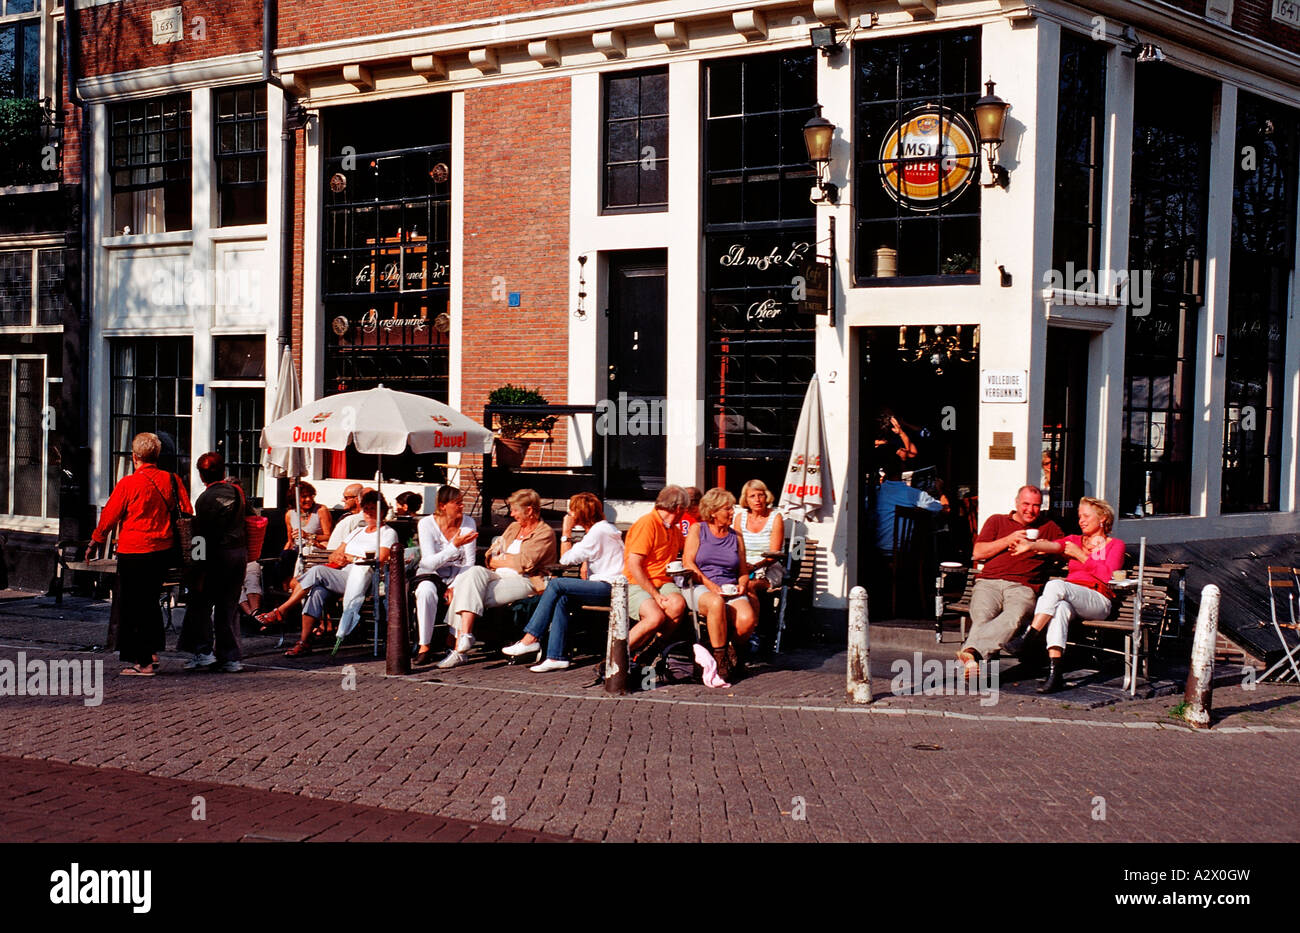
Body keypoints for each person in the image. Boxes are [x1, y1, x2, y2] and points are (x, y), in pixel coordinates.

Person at [86, 432, 193, 676]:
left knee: (134, 606)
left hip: (134, 551)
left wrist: (95, 541)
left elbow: (110, 516)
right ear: (156, 456)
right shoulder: (173, 480)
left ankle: (143, 662)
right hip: (162, 551)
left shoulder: (128, 483)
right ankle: (153, 652)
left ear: (134, 457)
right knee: (151, 601)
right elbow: (186, 511)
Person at [1002, 497, 1125, 693]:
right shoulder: (1074, 540)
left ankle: (1029, 636)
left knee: (1057, 585)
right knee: (1059, 609)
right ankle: (1055, 673)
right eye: (1079, 517)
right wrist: (1030, 546)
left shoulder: (1114, 545)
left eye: (1086, 516)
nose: (1081, 521)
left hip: (1098, 600)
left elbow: (1108, 576)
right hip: (1071, 597)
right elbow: (1053, 546)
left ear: (1102, 518)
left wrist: (1080, 555)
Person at [259, 490, 398, 657]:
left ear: (382, 511)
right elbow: (334, 553)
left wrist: (350, 557)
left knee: (317, 571)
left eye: (373, 509)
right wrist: (339, 557)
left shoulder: (388, 533)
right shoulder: (357, 531)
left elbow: (381, 558)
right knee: (317, 591)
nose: (368, 513)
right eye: (366, 508)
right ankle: (304, 641)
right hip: (342, 575)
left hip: (363, 579)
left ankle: (282, 610)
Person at [502, 492, 623, 672]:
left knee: (557, 584)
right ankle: (556, 656)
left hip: (610, 587)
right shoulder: (603, 529)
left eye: (572, 512)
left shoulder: (598, 532)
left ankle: (531, 638)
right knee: (562, 598)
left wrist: (566, 532)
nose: (569, 516)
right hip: (606, 585)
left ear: (580, 514)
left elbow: (565, 559)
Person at [437, 488, 557, 669]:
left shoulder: (544, 533)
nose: (512, 514)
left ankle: (459, 650)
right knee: (473, 572)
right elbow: (489, 555)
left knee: (465, 591)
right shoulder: (514, 527)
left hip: (527, 580)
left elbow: (525, 564)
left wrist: (500, 559)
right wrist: (503, 560)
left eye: (516, 510)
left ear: (530, 510)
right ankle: (466, 636)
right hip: (497, 575)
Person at [955, 485, 1064, 677]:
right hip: (988, 582)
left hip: (1023, 587)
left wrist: (1038, 546)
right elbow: (977, 552)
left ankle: (971, 653)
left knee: (1014, 618)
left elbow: (1064, 549)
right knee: (982, 616)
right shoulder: (997, 521)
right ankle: (973, 658)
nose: (1030, 510)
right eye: (1026, 504)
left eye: (1036, 505)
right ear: (1016, 503)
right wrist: (1009, 539)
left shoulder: (1048, 527)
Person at [177, 452, 249, 673]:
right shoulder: (238, 492)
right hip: (238, 554)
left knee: (200, 604)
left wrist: (196, 567)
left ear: (201, 475)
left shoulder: (205, 499)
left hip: (215, 557)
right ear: (223, 471)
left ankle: (204, 652)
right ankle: (230, 658)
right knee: (228, 607)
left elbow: (201, 536)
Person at [684, 487, 757, 682]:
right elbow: (688, 562)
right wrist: (708, 583)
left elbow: (742, 570)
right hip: (700, 586)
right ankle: (720, 658)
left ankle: (734, 651)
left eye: (732, 508)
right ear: (713, 511)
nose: (732, 512)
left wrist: (742, 584)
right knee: (716, 603)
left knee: (747, 619)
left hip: (729, 587)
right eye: (728, 509)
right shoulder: (698, 530)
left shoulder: (736, 537)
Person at [411, 486, 478, 667]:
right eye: (457, 503)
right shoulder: (426, 524)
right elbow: (429, 563)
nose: (462, 506)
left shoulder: (468, 523)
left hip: (458, 574)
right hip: (431, 574)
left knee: (463, 590)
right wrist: (454, 546)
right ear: (442, 505)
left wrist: (455, 585)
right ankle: (424, 645)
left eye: (462, 502)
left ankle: (452, 641)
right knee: (425, 592)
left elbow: (469, 562)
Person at [625, 485, 689, 657]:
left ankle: (651, 651)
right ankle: (614, 658)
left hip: (663, 581)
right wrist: (655, 594)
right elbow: (634, 565)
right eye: (685, 511)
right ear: (678, 509)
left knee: (677, 605)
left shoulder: (673, 529)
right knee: (655, 617)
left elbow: (689, 548)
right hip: (637, 583)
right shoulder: (647, 524)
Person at [869, 459, 942, 556]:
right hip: (900, 552)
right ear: (903, 470)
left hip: (876, 549)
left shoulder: (878, 492)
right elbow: (939, 507)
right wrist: (940, 490)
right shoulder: (910, 493)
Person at [276, 481, 333, 587]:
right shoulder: (290, 514)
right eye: (304, 496)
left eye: (311, 496)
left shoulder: (321, 510)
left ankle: (297, 587)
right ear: (295, 499)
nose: (309, 499)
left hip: (315, 549)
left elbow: (329, 536)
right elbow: (290, 541)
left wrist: (308, 535)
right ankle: (286, 591)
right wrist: (283, 555)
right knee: (284, 559)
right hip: (297, 549)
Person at [734, 479, 785, 597]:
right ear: (745, 499)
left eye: (760, 495)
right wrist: (743, 565)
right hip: (743, 566)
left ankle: (751, 615)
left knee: (748, 586)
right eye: (752, 496)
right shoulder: (740, 518)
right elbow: (736, 547)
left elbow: (774, 554)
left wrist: (756, 566)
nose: (757, 500)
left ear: (766, 497)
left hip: (768, 568)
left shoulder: (775, 518)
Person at [325, 483, 367, 548]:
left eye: (346, 498)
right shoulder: (345, 517)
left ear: (356, 500)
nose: (342, 500)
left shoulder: (350, 520)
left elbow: (334, 546)